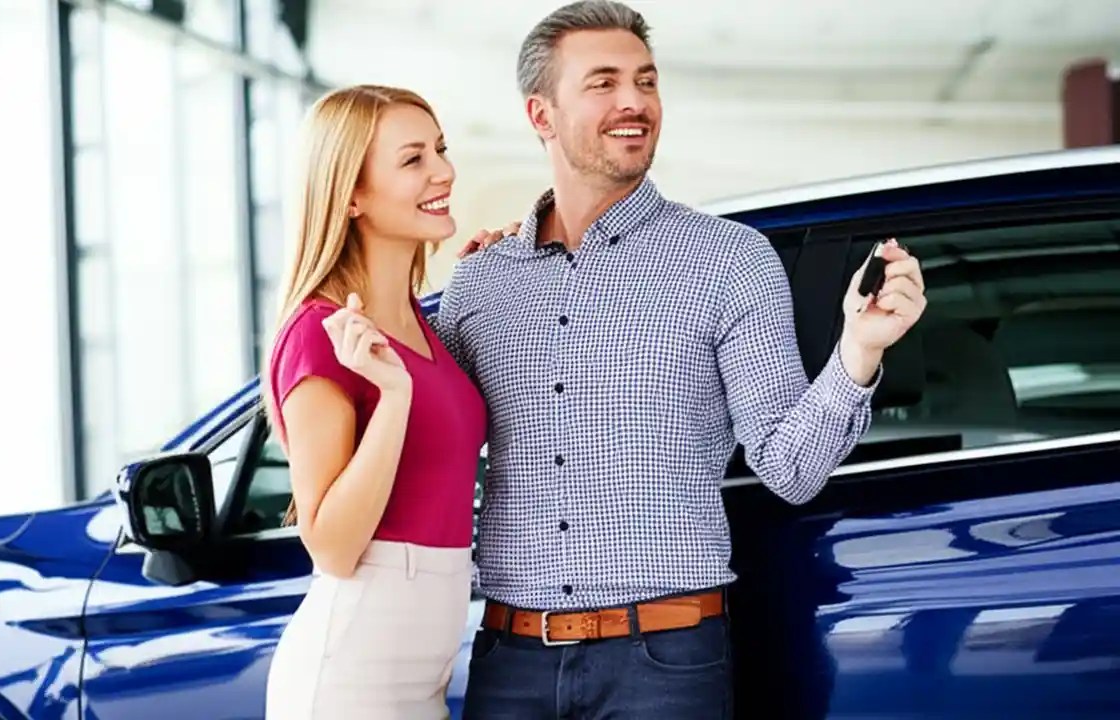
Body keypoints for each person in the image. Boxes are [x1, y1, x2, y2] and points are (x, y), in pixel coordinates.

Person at [430, 1, 929, 717]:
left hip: (662, 664)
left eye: (647, 81)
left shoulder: (730, 261)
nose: (634, 102)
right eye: (602, 83)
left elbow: (788, 469)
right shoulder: (482, 281)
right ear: (541, 115)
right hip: (508, 661)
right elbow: (433, 449)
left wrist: (859, 350)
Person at [261, 84, 487, 719]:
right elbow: (331, 544)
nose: (444, 170)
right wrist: (392, 397)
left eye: (440, 150)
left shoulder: (420, 323)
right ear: (352, 195)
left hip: (423, 672)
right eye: (412, 159)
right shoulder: (321, 333)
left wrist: (493, 281)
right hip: (352, 676)